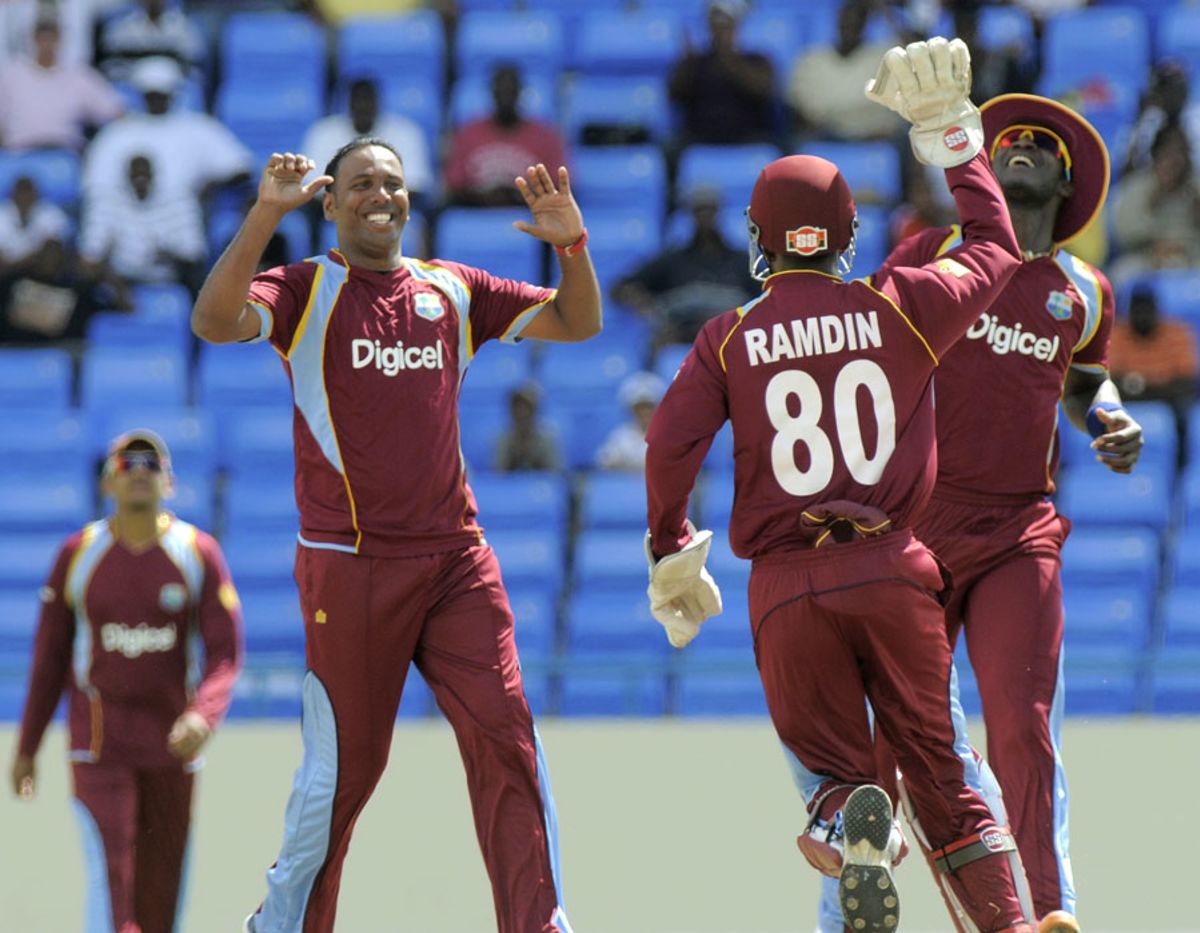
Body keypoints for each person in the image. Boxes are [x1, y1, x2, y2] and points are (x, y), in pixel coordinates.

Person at [642, 37, 1040, 933]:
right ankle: (1010, 924)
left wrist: (671, 545)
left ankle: (848, 819)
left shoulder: (729, 336)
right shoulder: (901, 301)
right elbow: (996, 250)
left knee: (831, 771)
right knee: (945, 771)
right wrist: (952, 138)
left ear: (756, 240)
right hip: (893, 567)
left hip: (784, 584)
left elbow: (669, 444)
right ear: (851, 237)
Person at [190, 137, 600, 932]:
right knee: (344, 774)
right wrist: (265, 217)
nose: (382, 194)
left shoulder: (451, 288)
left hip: (455, 561)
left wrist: (573, 247)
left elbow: (579, 320)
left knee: (506, 737)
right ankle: (281, 922)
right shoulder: (306, 289)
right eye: (362, 183)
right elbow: (212, 321)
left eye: (394, 182)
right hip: (352, 567)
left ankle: (538, 921)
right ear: (333, 204)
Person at [846, 93, 1145, 933]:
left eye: (1038, 146)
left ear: (1065, 178)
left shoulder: (1084, 290)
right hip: (917, 525)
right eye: (1006, 140)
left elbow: (1086, 378)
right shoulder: (934, 251)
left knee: (1021, 720)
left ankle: (1052, 910)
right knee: (895, 734)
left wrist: (1110, 417)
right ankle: (858, 884)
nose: (1017, 148)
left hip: (1020, 529)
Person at [8, 429, 243, 933]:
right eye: (126, 462)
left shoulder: (197, 553)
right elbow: (48, 659)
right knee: (112, 875)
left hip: (171, 749)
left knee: (160, 896)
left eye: (151, 462)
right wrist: (27, 746)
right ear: (106, 483)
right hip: (99, 745)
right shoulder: (79, 554)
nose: (139, 470)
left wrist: (204, 715)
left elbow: (226, 651)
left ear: (170, 483)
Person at [82, 56, 253, 203]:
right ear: (141, 94)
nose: (156, 100)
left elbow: (241, 169)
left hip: (186, 214)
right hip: (127, 215)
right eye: (151, 95)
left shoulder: (199, 126)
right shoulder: (117, 131)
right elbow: (96, 186)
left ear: (173, 94)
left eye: (162, 94)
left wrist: (211, 186)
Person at [613, 183, 757, 347]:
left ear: (718, 212)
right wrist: (644, 304)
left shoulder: (741, 261)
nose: (705, 216)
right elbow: (622, 287)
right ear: (691, 214)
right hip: (682, 336)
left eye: (709, 210)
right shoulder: (672, 260)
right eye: (699, 210)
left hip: (731, 337)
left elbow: (765, 296)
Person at [79, 153, 208, 295]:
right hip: (119, 283)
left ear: (153, 176)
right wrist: (117, 287)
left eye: (144, 177)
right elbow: (89, 259)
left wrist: (167, 254)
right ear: (126, 177)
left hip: (167, 282)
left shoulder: (180, 201)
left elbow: (195, 255)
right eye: (135, 177)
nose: (140, 182)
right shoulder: (106, 201)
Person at [444, 64, 570, 208]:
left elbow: (559, 188)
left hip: (530, 213)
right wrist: (487, 195)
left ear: (520, 92)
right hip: (478, 213)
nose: (505, 96)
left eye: (510, 90)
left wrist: (518, 194)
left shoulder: (546, 137)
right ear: (492, 92)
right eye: (501, 90)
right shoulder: (467, 134)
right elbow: (454, 186)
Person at [300, 77, 434, 208]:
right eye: (357, 101)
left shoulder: (406, 132)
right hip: (337, 209)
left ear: (378, 103)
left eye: (368, 101)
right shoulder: (323, 133)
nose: (363, 106)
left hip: (390, 208)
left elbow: (415, 186)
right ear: (348, 104)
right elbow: (313, 187)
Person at [0, 15, 124, 151]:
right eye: (42, 38)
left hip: (64, 154)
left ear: (59, 40)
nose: (46, 44)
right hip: (18, 153)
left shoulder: (79, 76)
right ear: (33, 39)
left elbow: (112, 112)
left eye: (51, 38)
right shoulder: (11, 74)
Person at [787, 0, 902, 143]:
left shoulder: (881, 58)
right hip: (825, 137)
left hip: (876, 137)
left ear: (864, 25)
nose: (850, 28)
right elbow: (800, 106)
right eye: (846, 22)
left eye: (856, 23)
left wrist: (886, 11)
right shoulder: (811, 60)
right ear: (838, 22)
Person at [1108, 283, 1197, 467]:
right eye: (1137, 311)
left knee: (1185, 412)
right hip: (1128, 402)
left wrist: (1139, 387)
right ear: (1129, 312)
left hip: (1170, 402)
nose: (1142, 316)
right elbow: (1110, 382)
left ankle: (1180, 469)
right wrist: (1158, 386)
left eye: (1147, 310)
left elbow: (1186, 382)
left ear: (1157, 311)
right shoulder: (1117, 335)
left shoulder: (1177, 333)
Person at [667, 0, 777, 147]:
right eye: (716, 23)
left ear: (737, 26)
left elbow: (765, 92)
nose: (721, 29)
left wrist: (728, 56)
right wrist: (686, 64)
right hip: (700, 139)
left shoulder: (757, 60)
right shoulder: (695, 63)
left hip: (748, 138)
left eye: (727, 23)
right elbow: (674, 96)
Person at [1111, 123, 1200, 282]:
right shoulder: (1137, 185)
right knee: (1121, 274)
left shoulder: (1195, 185)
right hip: (1147, 258)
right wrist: (1154, 197)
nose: (1175, 159)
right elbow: (1124, 235)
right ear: (1155, 154)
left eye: (1181, 151)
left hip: (1192, 259)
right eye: (1168, 152)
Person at [97, 0, 205, 83]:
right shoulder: (122, 27)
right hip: (132, 82)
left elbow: (193, 65)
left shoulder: (183, 26)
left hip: (174, 83)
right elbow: (111, 64)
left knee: (191, 91)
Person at [0, 176, 72, 276]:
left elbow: (54, 248)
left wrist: (17, 263)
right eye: (21, 193)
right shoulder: (2, 214)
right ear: (12, 195)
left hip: (38, 275)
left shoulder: (50, 213)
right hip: (5, 277)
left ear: (36, 195)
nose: (24, 197)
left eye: (28, 193)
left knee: (52, 251)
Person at [597, 371, 665, 472]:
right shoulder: (620, 436)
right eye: (639, 407)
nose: (645, 412)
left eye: (649, 407)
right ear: (631, 410)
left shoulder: (668, 437)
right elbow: (604, 463)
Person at [494, 382, 563, 472]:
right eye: (517, 409)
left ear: (534, 412)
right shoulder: (503, 440)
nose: (522, 414)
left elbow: (555, 474)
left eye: (527, 409)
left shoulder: (546, 440)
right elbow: (497, 476)